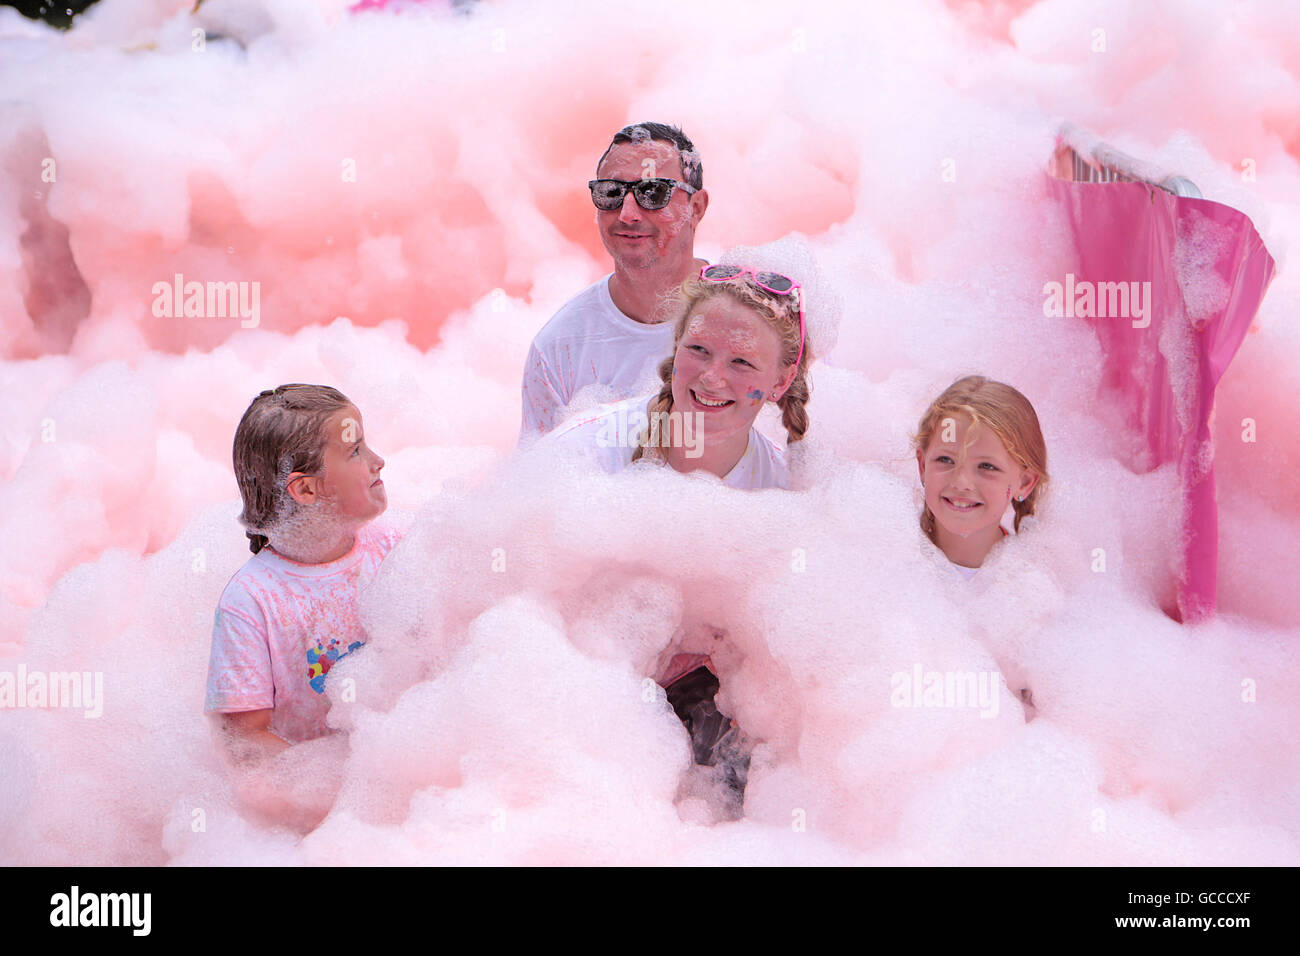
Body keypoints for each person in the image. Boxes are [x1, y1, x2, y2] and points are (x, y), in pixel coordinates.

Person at [547, 264, 814, 815]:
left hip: (705, 713)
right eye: (699, 351)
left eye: (742, 362)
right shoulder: (587, 454)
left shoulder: (786, 489)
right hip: (582, 703)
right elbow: (521, 622)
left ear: (781, 382)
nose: (713, 378)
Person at [205, 384, 402, 758]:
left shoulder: (396, 545)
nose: (378, 460)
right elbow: (245, 742)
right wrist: (342, 789)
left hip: (392, 760)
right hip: (324, 791)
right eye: (355, 450)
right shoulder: (251, 602)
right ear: (306, 489)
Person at [519, 122, 710, 439]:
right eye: (611, 193)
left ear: (696, 207)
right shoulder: (558, 347)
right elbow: (539, 480)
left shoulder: (754, 321)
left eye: (653, 192)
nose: (628, 214)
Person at [912, 374, 1049, 717]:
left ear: (1025, 482)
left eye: (986, 467)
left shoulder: (1036, 590)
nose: (961, 482)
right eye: (945, 460)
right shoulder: (889, 560)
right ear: (921, 465)